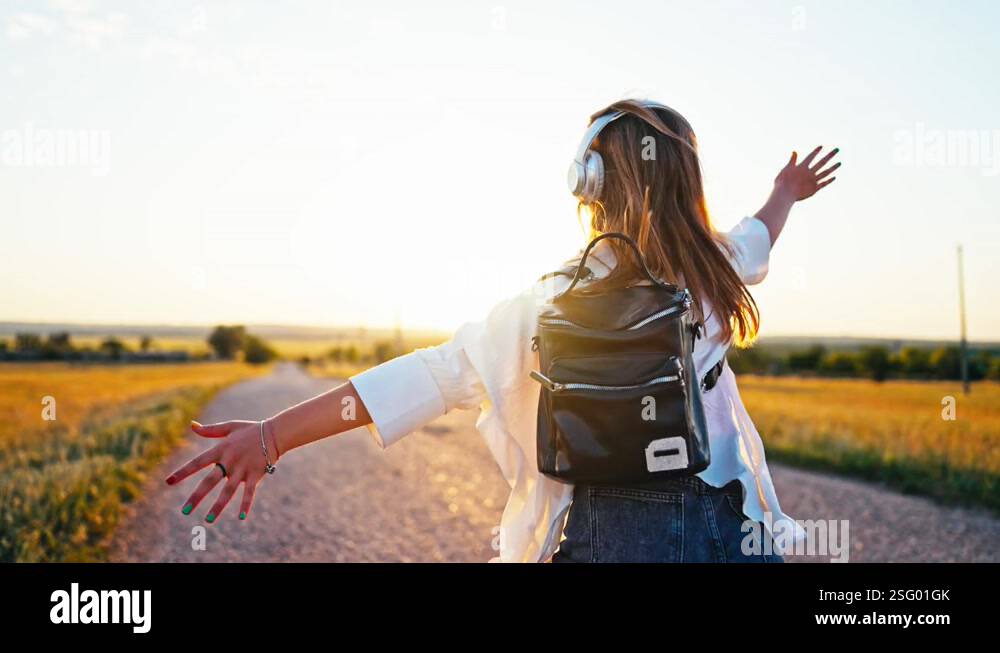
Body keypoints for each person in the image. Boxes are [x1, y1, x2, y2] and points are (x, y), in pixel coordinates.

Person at [165, 99, 839, 562]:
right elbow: (759, 233)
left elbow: (424, 377)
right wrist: (786, 189)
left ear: (589, 184)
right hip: (730, 530)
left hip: (612, 538)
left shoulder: (544, 306)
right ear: (689, 183)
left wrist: (271, 434)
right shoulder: (715, 270)